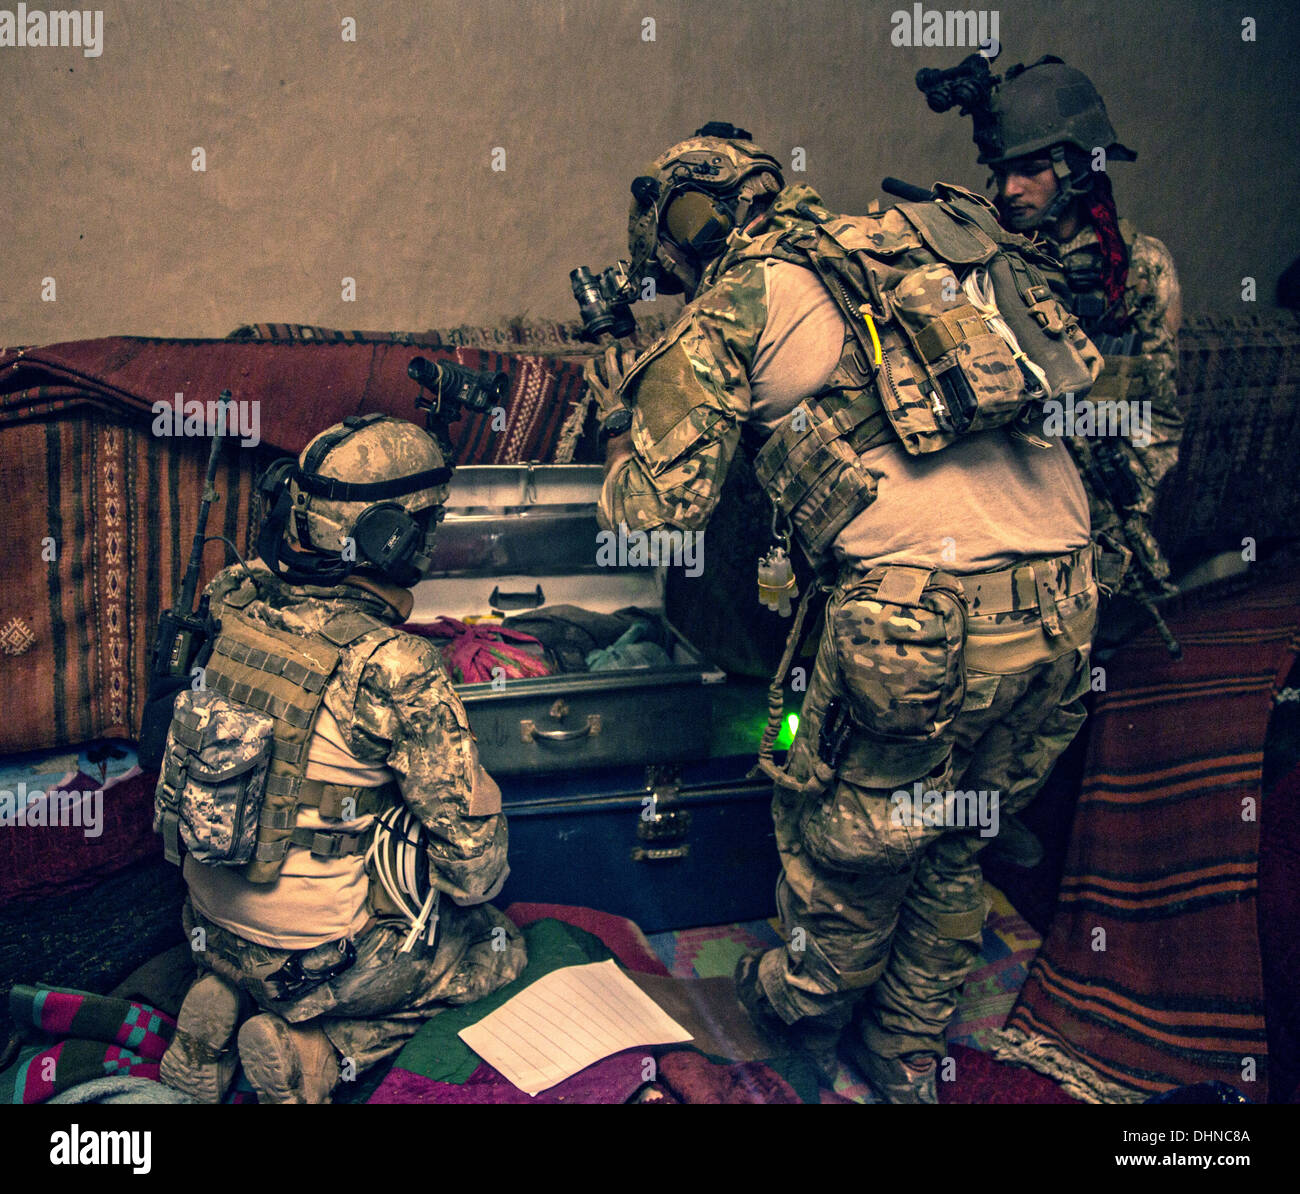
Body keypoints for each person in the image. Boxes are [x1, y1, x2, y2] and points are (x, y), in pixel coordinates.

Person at [589, 124, 1102, 1102]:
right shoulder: (916, 240)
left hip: (920, 623)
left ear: (689, 233)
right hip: (1062, 603)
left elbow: (653, 520)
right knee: (957, 832)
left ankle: (798, 1024)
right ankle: (909, 1050)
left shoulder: (745, 293)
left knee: (855, 849)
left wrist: (621, 419)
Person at [156, 413, 525, 1103]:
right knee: (493, 947)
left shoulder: (229, 596)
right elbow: (474, 875)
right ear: (396, 539)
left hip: (204, 924)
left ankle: (216, 1009)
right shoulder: (398, 665)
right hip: (325, 964)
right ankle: (313, 1052)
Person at [979, 57, 1184, 633]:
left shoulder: (1140, 270)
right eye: (1001, 173)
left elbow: (1155, 418)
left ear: (1075, 167)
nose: (1009, 189)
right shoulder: (992, 265)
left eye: (1029, 171)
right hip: (1007, 511)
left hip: (1096, 515)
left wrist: (1117, 498)